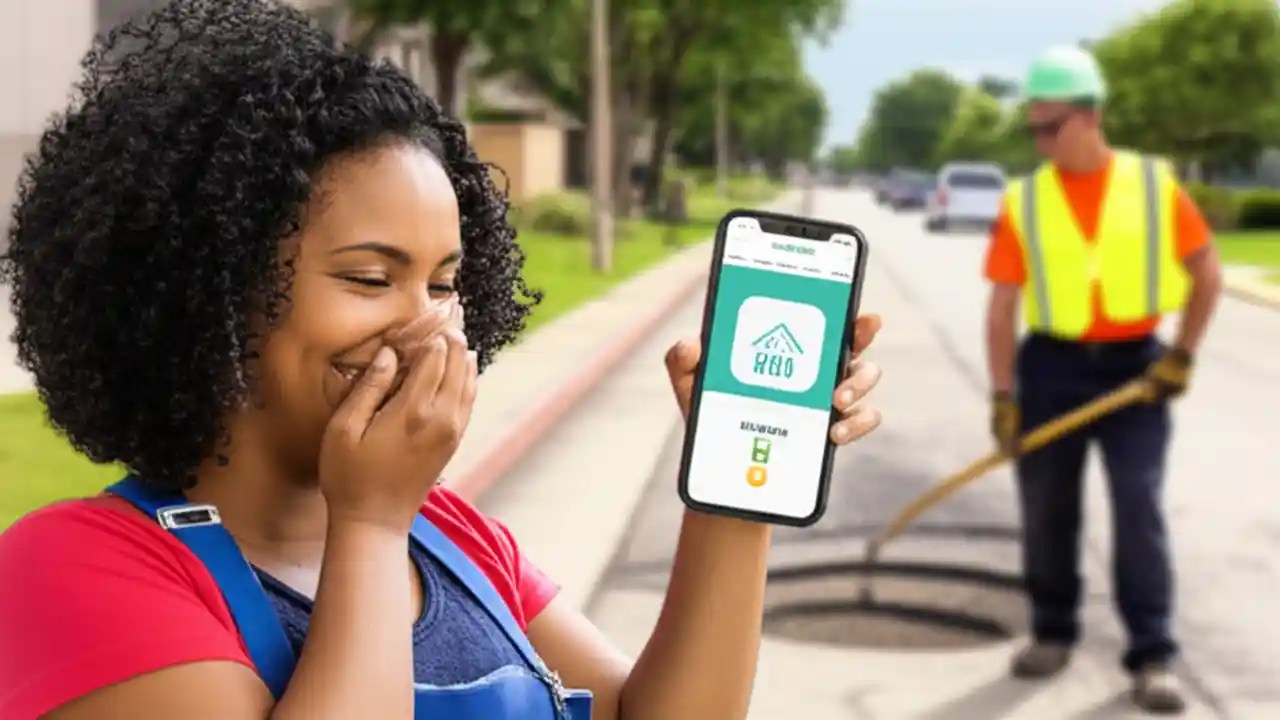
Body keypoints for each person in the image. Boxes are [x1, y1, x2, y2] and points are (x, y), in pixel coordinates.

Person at [0, 1, 885, 718]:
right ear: (211, 288)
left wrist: (735, 483)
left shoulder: (451, 538)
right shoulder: (71, 571)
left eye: (445, 283)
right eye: (370, 277)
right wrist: (370, 524)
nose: (428, 327)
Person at [983, 45, 1222, 714]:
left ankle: (1153, 654)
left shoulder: (1151, 185)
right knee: (1047, 506)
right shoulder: (1026, 199)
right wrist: (1003, 397)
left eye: (1050, 127)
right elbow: (1002, 306)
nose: (1040, 142)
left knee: (1138, 504)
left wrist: (1182, 355)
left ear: (1090, 117)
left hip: (1135, 372)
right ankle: (1052, 631)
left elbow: (1207, 273)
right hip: (1051, 367)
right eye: (1033, 129)